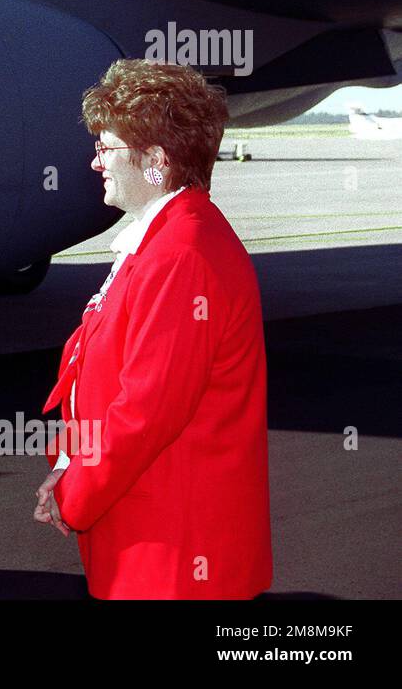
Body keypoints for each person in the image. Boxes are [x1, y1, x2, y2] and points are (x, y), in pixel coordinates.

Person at [33, 59, 271, 599]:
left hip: (175, 554)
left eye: (106, 148)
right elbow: (107, 379)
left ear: (157, 161)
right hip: (157, 539)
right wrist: (70, 463)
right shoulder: (169, 240)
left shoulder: (182, 255)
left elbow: (144, 412)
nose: (95, 163)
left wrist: (75, 494)